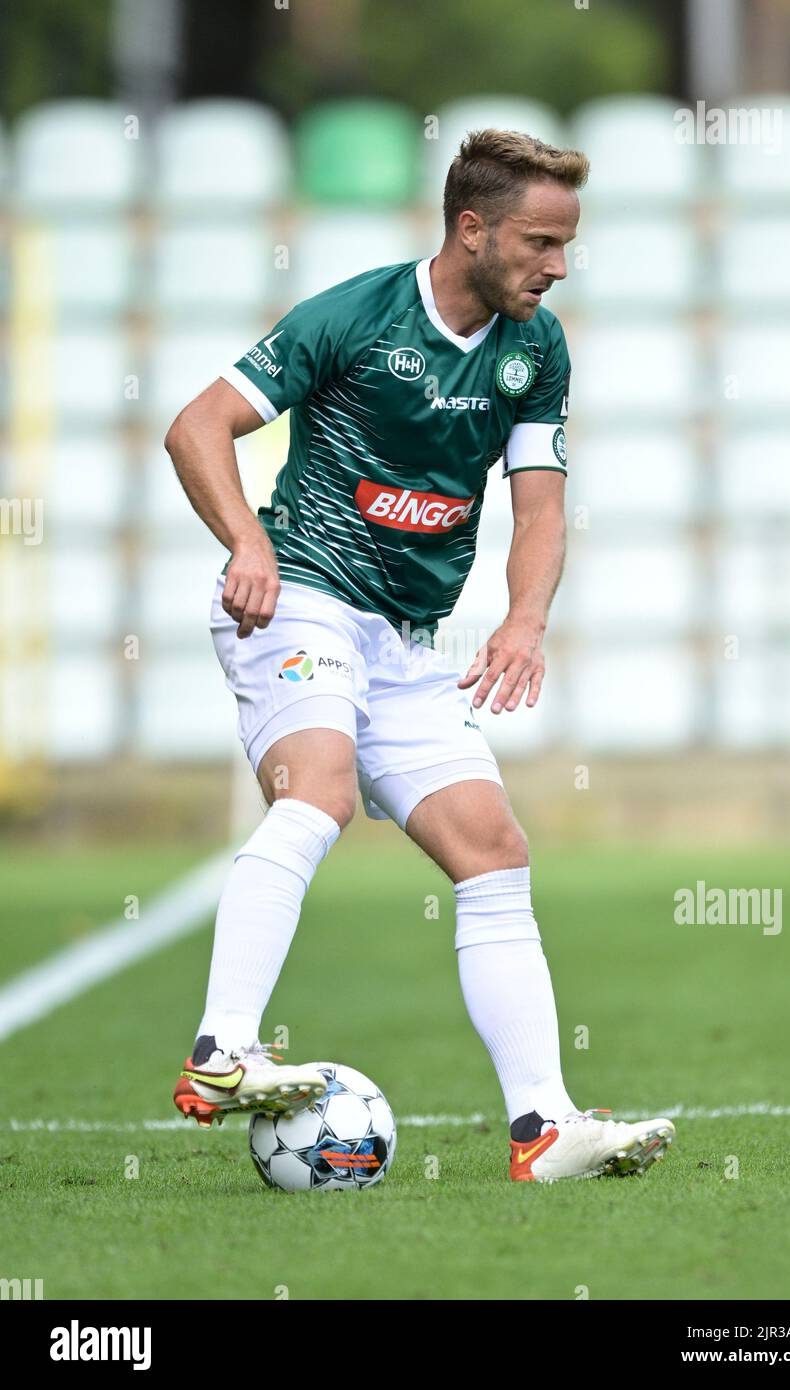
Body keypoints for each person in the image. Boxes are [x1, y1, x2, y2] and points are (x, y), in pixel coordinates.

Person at [164, 128, 675, 1182]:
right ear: (470, 228)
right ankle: (222, 1045)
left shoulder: (535, 351)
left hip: (402, 640)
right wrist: (247, 543)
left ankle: (541, 1126)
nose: (558, 265)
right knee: (320, 790)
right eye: (540, 241)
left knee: (492, 847)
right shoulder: (356, 316)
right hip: (298, 596)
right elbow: (195, 426)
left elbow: (539, 506)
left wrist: (522, 618)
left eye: (566, 243)